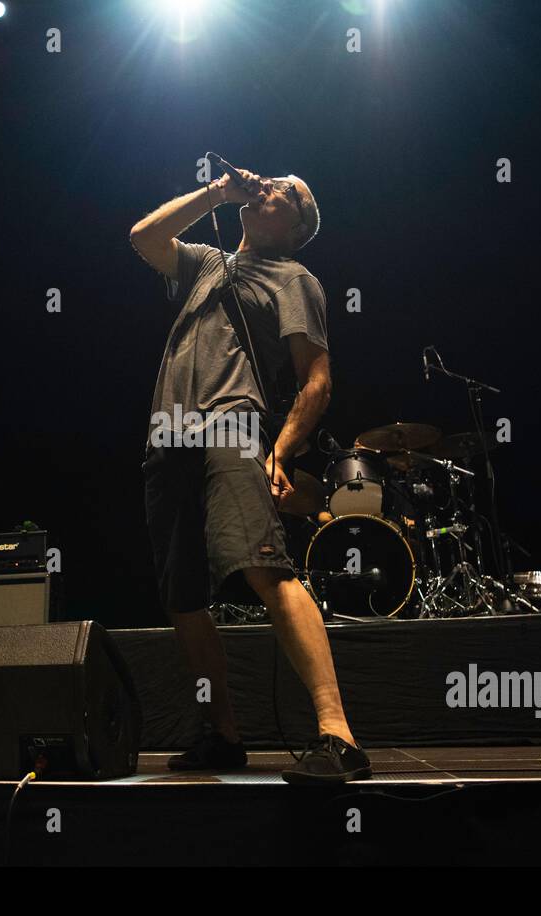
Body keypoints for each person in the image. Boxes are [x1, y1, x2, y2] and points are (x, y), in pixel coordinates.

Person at [130, 164, 370, 784]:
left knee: (265, 567)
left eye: (286, 191)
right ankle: (221, 733)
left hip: (231, 424)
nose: (269, 188)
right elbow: (143, 236)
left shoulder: (294, 277)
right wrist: (215, 192)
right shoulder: (207, 263)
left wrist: (280, 452)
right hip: (167, 435)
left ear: (294, 228)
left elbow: (317, 379)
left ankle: (338, 736)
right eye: (271, 183)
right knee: (183, 597)